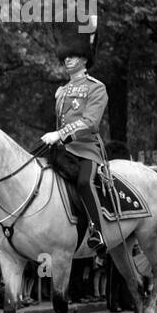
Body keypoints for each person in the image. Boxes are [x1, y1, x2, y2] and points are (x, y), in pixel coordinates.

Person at [41, 26, 108, 250]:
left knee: (83, 182)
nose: (67, 60)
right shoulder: (61, 91)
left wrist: (59, 135)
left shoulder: (96, 88)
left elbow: (90, 123)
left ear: (84, 58)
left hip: (87, 149)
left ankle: (97, 230)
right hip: (63, 150)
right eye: (66, 56)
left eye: (73, 56)